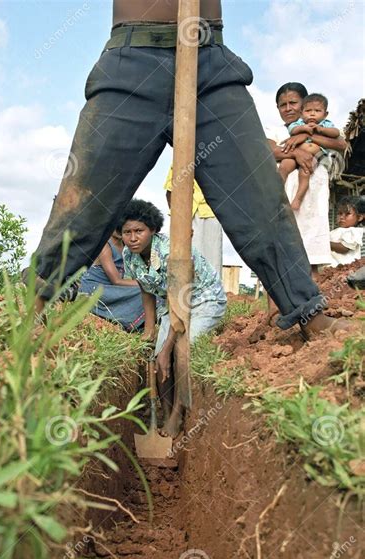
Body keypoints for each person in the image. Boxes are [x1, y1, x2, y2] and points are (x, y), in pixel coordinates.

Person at [33, 2, 353, 341]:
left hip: (209, 61)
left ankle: (307, 311)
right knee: (84, 200)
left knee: (260, 198)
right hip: (132, 60)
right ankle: (33, 301)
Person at [121, 199, 226, 436]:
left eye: (139, 231)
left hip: (202, 300)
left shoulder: (170, 253)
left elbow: (182, 304)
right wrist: (150, 329)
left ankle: (179, 413)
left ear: (153, 230)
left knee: (180, 351)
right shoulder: (129, 255)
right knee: (159, 357)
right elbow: (145, 288)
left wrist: (168, 346)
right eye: (127, 232)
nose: (133, 237)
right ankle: (166, 413)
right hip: (171, 305)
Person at [265, 82, 346, 278]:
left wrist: (308, 136)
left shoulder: (322, 127)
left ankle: (312, 306)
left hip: (313, 199)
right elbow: (270, 151)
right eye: (282, 105)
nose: (288, 108)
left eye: (293, 102)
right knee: (279, 256)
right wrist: (298, 153)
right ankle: (276, 309)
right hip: (283, 197)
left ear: (304, 105)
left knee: (311, 256)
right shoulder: (274, 130)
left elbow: (341, 144)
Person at [278, 94, 340, 211]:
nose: (312, 114)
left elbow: (336, 133)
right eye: (308, 111)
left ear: (325, 114)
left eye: (317, 111)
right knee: (284, 166)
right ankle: (278, 193)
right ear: (302, 113)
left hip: (313, 157)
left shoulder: (326, 124)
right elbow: (292, 129)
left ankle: (298, 199)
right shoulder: (300, 123)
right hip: (294, 154)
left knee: (305, 173)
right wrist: (304, 129)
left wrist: (320, 129)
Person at [78, 230, 145, 330]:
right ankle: (130, 323)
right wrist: (146, 284)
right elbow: (116, 281)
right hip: (93, 288)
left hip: (111, 289)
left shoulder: (126, 247)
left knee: (147, 291)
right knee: (144, 290)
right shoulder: (105, 245)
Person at [164, 165, 223, 274]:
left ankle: (212, 289)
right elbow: (170, 191)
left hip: (211, 213)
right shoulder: (180, 160)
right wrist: (178, 219)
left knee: (212, 261)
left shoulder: (219, 162)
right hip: (185, 214)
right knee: (182, 259)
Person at [330, 195, 365, 267]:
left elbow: (344, 248)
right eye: (340, 213)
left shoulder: (354, 231)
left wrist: (324, 243)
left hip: (344, 266)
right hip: (330, 266)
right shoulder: (335, 231)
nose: (342, 217)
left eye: (347, 214)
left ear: (359, 217)